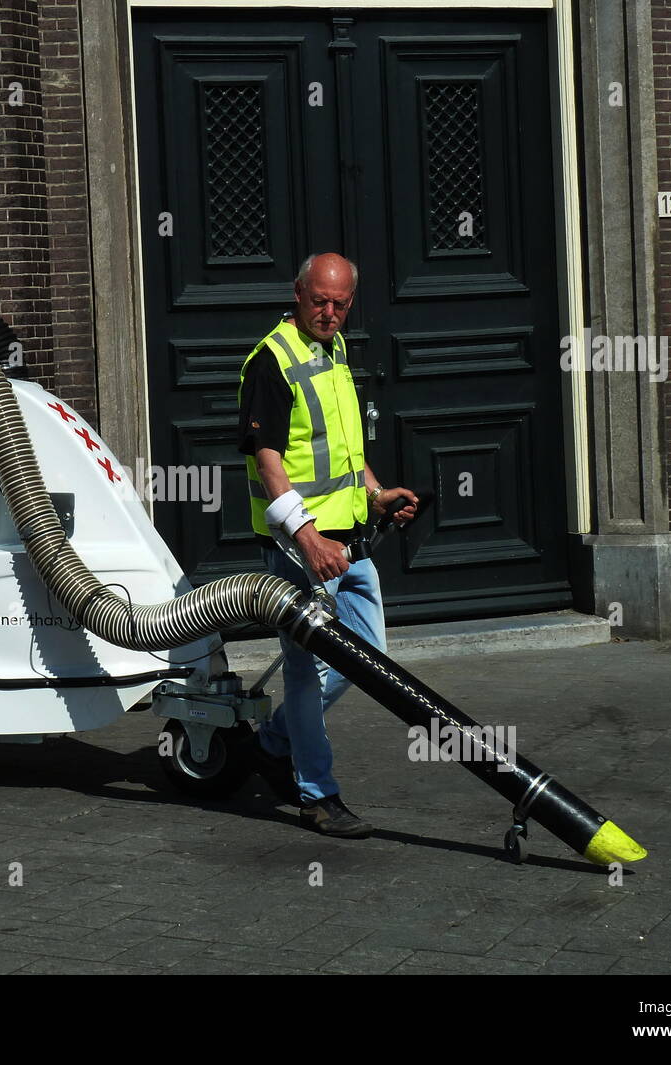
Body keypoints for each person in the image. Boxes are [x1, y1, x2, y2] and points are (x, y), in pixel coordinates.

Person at [237, 252, 418, 838]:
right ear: (297, 291)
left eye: (341, 303)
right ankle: (317, 796)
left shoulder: (334, 349)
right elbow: (268, 463)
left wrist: (377, 491)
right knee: (304, 670)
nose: (330, 313)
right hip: (302, 550)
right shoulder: (271, 361)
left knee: (368, 658)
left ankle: (271, 744)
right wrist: (307, 537)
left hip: (352, 541)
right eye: (320, 300)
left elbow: (341, 451)